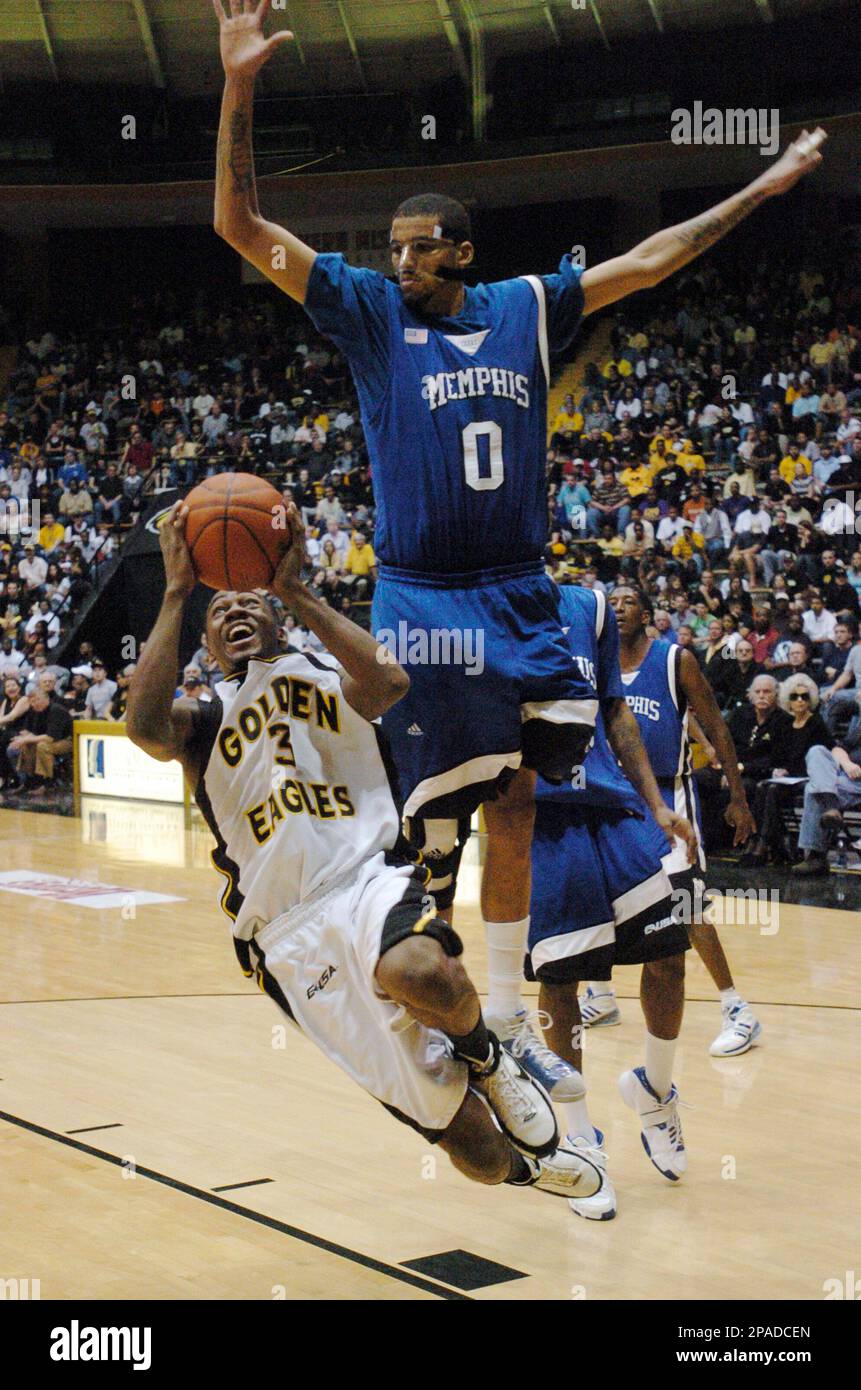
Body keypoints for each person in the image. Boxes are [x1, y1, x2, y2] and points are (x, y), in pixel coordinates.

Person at [210, 0, 826, 1096]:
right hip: (422, 594)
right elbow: (242, 227)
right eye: (391, 246)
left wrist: (762, 192)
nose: (399, 260)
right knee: (427, 819)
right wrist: (240, 84)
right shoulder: (364, 311)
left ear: (461, 250)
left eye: (418, 245)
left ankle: (502, 1017)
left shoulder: (526, 307)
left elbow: (650, 259)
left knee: (522, 798)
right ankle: (413, 992)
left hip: (518, 591)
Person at [126, 500, 602, 1202]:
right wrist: (174, 595)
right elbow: (144, 728)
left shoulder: (328, 670)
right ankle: (528, 1169)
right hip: (282, 933)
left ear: (275, 618)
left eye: (248, 601)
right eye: (219, 608)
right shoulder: (204, 718)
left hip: (366, 876)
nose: (234, 610)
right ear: (208, 644)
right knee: (472, 1146)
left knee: (422, 971)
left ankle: (485, 1054)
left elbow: (390, 683)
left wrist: (294, 589)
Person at [528, 583, 697, 1218]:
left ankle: (655, 1088)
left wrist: (657, 804)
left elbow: (616, 709)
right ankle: (578, 1138)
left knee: (671, 949)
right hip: (541, 819)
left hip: (615, 806)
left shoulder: (589, 608)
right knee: (561, 982)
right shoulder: (480, 609)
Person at [581, 587, 762, 1059]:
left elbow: (717, 726)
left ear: (648, 613)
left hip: (670, 792)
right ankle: (600, 995)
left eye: (628, 600)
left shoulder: (674, 659)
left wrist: (738, 797)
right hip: (617, 795)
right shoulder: (597, 663)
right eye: (612, 601)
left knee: (685, 900)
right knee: (604, 893)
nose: (618, 607)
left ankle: (736, 1008)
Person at [741, 674, 829, 865]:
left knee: (772, 790)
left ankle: (765, 843)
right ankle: (755, 839)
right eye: (794, 697)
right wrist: (780, 769)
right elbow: (778, 756)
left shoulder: (817, 723)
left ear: (811, 699)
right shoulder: (785, 724)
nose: (799, 701)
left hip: (808, 778)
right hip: (788, 777)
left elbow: (822, 755)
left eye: (804, 696)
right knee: (762, 786)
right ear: (787, 699)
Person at [792, 720, 861, 877]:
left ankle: (816, 857)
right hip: (847, 778)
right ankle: (831, 806)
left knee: (814, 788)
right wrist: (847, 764)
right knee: (817, 752)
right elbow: (838, 749)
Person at [6, 686, 73, 793]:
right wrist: (22, 738)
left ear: (47, 698)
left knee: (42, 746)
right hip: (45, 739)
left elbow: (50, 738)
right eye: (32, 702)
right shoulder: (34, 710)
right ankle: (29, 781)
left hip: (66, 741)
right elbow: (27, 731)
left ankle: (47, 784)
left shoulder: (56, 710)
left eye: (37, 700)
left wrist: (26, 739)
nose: (35, 704)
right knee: (26, 744)